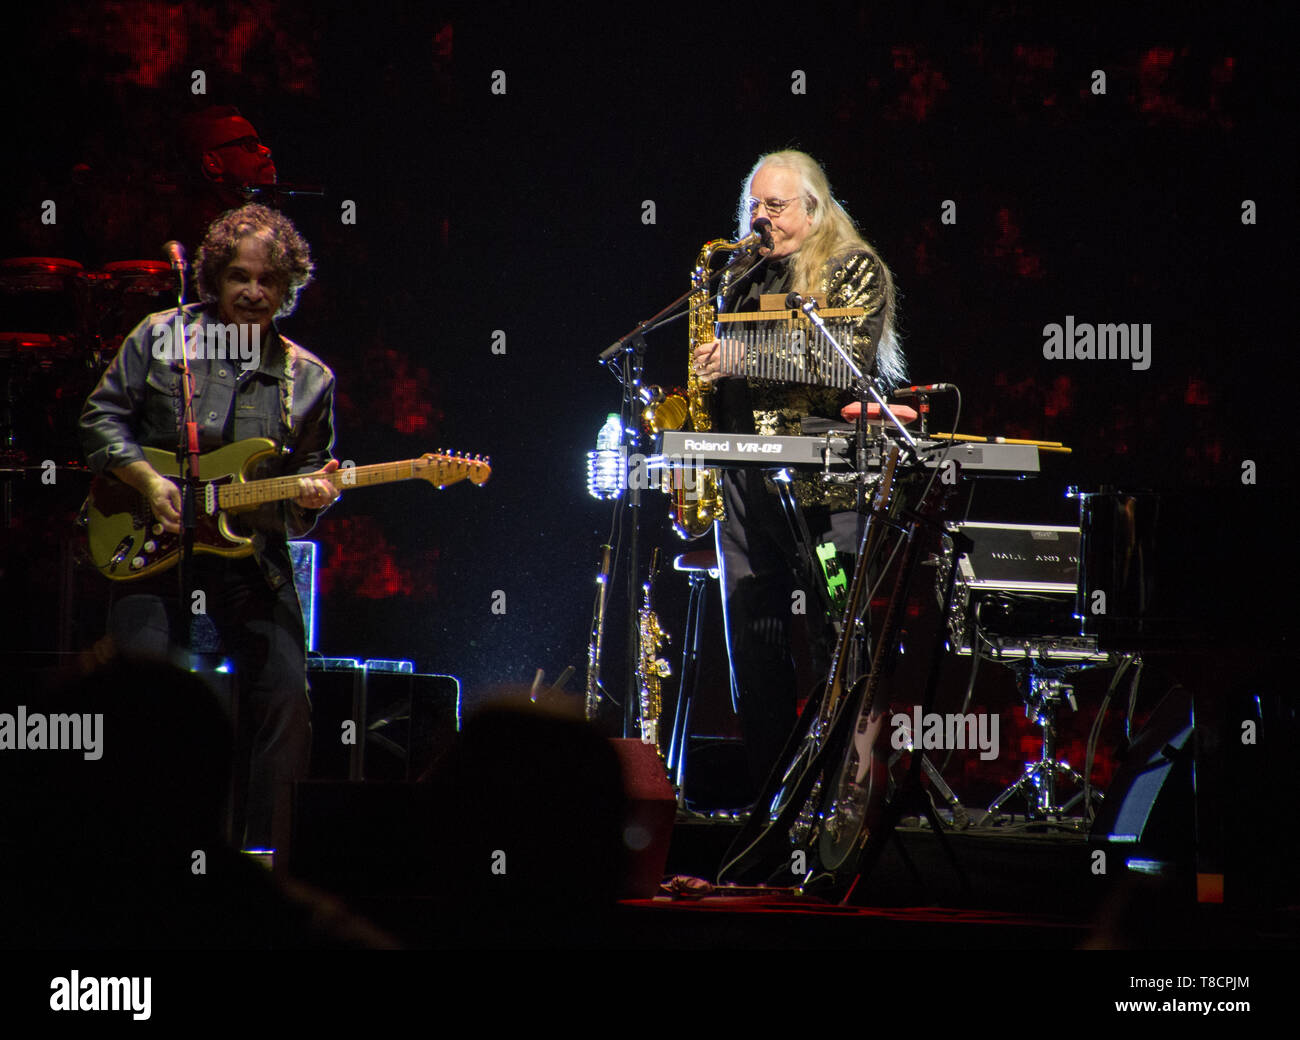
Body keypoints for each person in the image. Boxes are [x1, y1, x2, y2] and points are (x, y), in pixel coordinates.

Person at [80, 203, 336, 852]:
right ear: (214, 280)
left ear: (287, 289)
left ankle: (264, 865)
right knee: (139, 700)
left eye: (269, 281)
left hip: (252, 566)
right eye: (240, 278)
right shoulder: (162, 337)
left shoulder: (308, 382)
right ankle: (138, 853)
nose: (253, 292)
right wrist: (147, 481)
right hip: (152, 551)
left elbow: (299, 499)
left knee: (287, 701)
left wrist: (312, 499)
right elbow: (98, 422)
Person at [692, 149, 905, 789]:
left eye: (775, 206)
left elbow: (843, 362)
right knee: (753, 655)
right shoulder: (740, 273)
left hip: (826, 488)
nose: (760, 218)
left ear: (813, 209)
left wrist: (737, 356)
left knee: (838, 637)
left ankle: (846, 793)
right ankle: (769, 798)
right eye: (753, 205)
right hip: (744, 485)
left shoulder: (854, 268)